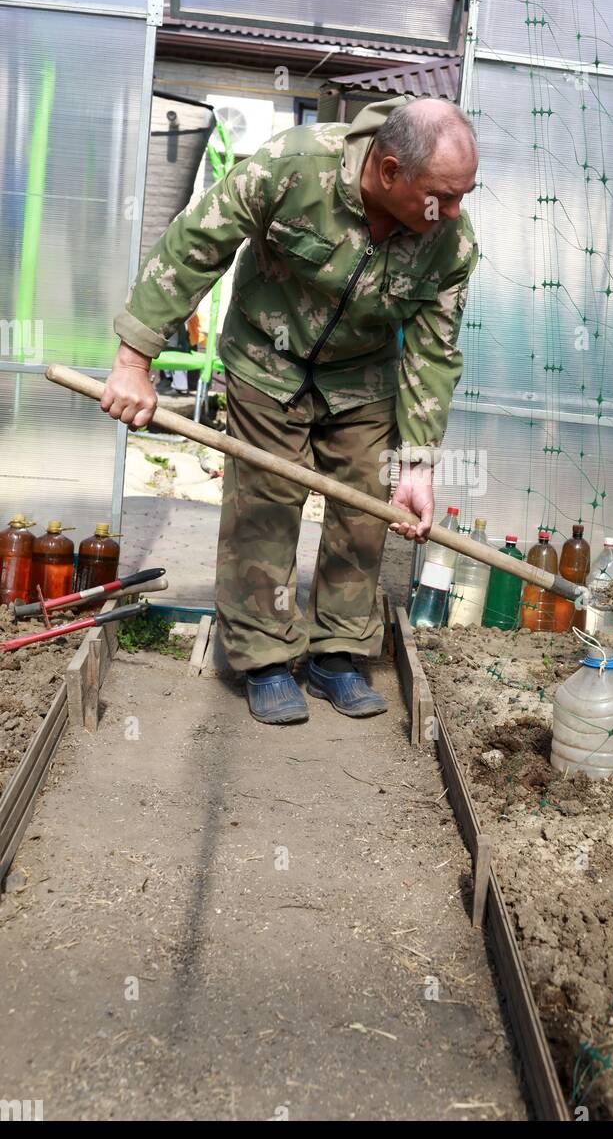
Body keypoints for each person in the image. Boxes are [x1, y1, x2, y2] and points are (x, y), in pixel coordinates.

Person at [101, 94, 479, 725]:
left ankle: (339, 652)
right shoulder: (293, 168)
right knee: (266, 506)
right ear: (389, 171)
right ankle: (265, 657)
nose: (455, 211)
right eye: (443, 194)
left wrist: (417, 462)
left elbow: (434, 353)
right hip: (266, 359)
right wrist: (133, 360)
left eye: (467, 193)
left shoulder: (450, 241)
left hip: (362, 376)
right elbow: (197, 244)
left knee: (367, 509)